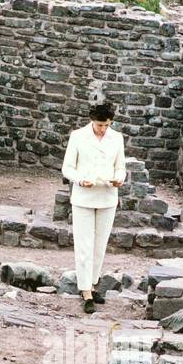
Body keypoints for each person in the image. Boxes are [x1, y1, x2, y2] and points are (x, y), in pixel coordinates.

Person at [61, 102, 126, 313]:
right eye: (99, 125)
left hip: (107, 196)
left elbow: (120, 167)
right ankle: (85, 291)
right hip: (84, 197)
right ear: (92, 121)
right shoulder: (78, 136)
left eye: (107, 125)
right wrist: (80, 180)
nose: (103, 129)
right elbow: (67, 167)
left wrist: (119, 179)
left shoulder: (116, 138)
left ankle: (93, 283)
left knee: (100, 244)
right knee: (84, 244)